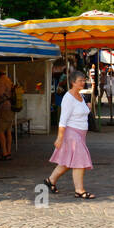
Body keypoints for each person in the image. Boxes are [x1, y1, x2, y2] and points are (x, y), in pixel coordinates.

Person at [43, 70, 94, 199]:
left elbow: (80, 113)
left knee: (67, 162)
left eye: (84, 80)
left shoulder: (80, 96)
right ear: (73, 82)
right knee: (79, 160)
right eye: (80, 81)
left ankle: (51, 180)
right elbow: (63, 119)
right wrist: (60, 138)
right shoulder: (68, 97)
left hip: (81, 134)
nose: (83, 83)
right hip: (72, 134)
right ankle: (79, 190)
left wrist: (88, 108)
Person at [0, 72, 15, 161]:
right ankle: (8, 152)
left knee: (0, 130)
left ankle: (4, 153)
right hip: (11, 107)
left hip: (5, 107)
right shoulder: (8, 79)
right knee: (8, 130)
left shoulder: (2, 80)